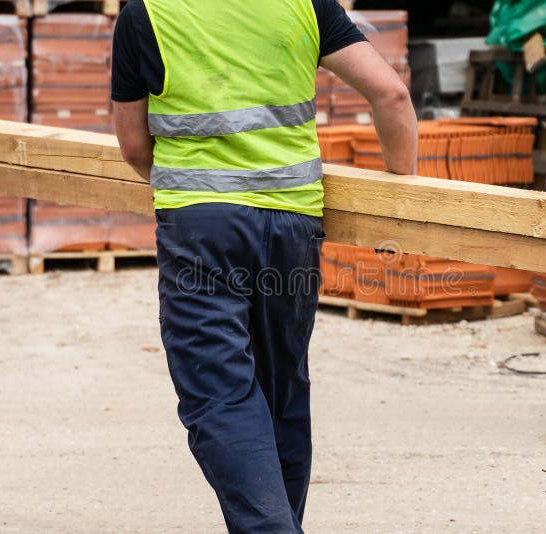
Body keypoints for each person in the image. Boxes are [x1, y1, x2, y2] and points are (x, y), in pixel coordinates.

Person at [111, 0, 418, 531]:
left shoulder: (147, 12)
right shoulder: (305, 4)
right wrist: (401, 199)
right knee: (281, 390)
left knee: (220, 393)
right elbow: (391, 93)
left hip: (201, 228)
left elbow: (135, 145)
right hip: (293, 227)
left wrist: (192, 185)